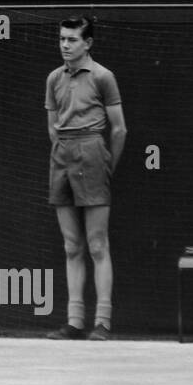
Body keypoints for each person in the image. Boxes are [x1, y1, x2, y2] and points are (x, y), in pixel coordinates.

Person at [44, 18, 126, 340]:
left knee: (97, 244)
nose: (65, 45)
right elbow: (52, 126)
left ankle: (102, 322)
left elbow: (119, 129)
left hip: (93, 153)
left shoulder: (104, 77)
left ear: (87, 43)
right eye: (62, 39)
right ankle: (75, 321)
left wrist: (106, 165)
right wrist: (63, 153)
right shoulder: (53, 78)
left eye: (72, 40)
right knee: (71, 245)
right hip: (61, 155)